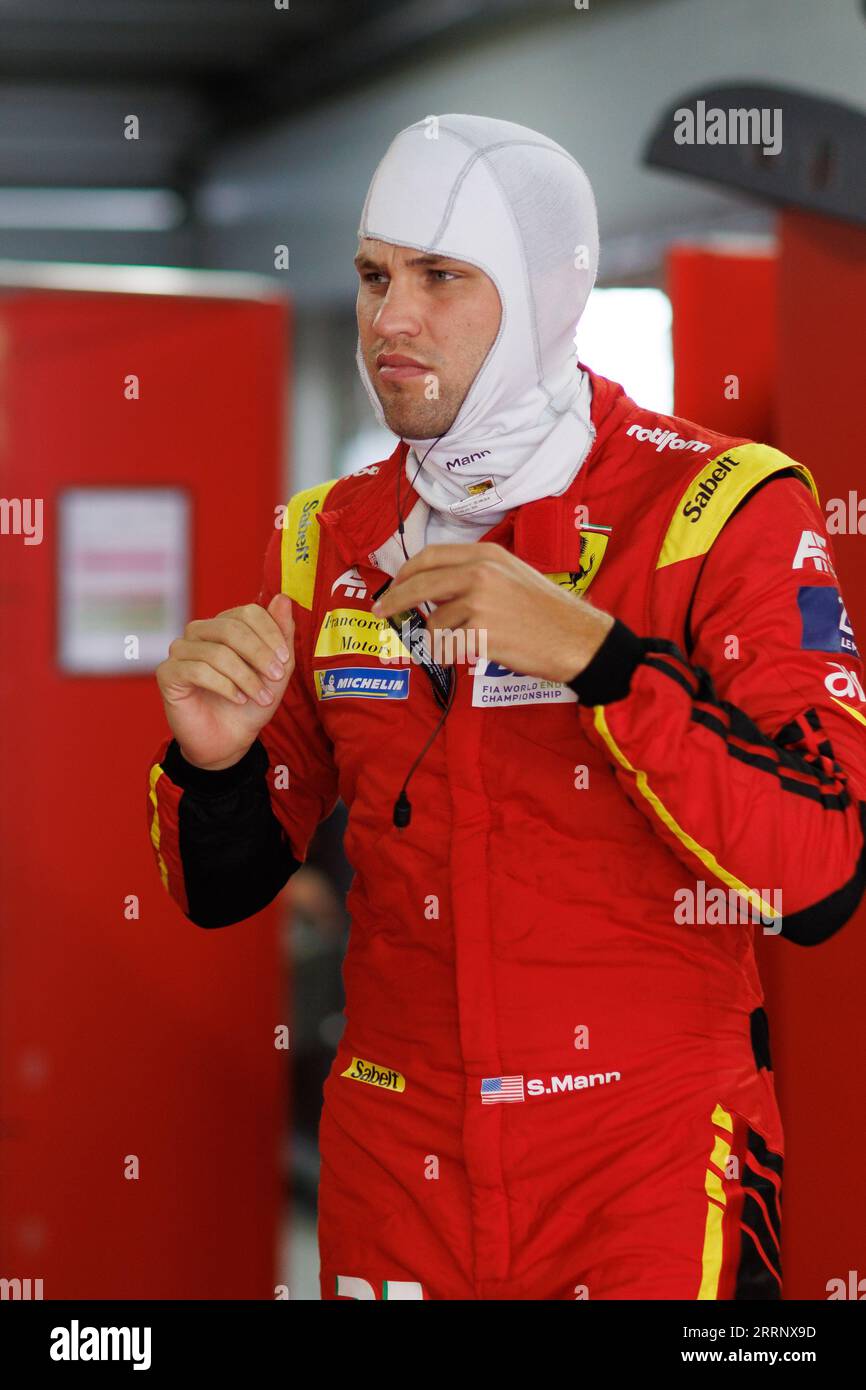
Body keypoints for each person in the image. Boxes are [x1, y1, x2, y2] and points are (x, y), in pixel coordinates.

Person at [147, 114, 866, 1300]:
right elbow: (222, 891)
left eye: (440, 276)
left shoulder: (716, 508)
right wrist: (216, 765)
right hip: (396, 1161)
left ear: (541, 293)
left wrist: (604, 663)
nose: (390, 319)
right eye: (376, 275)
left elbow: (822, 873)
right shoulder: (326, 534)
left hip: (642, 1159)